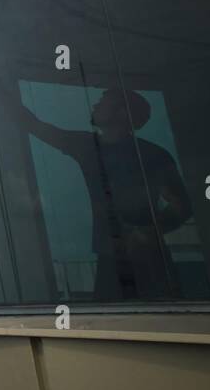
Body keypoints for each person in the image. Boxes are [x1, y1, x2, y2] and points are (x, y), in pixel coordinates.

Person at [14, 88, 194, 301]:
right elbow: (34, 125)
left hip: (147, 260)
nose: (95, 106)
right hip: (114, 256)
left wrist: (146, 233)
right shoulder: (92, 147)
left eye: (103, 102)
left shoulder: (151, 156)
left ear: (121, 114)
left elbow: (182, 206)